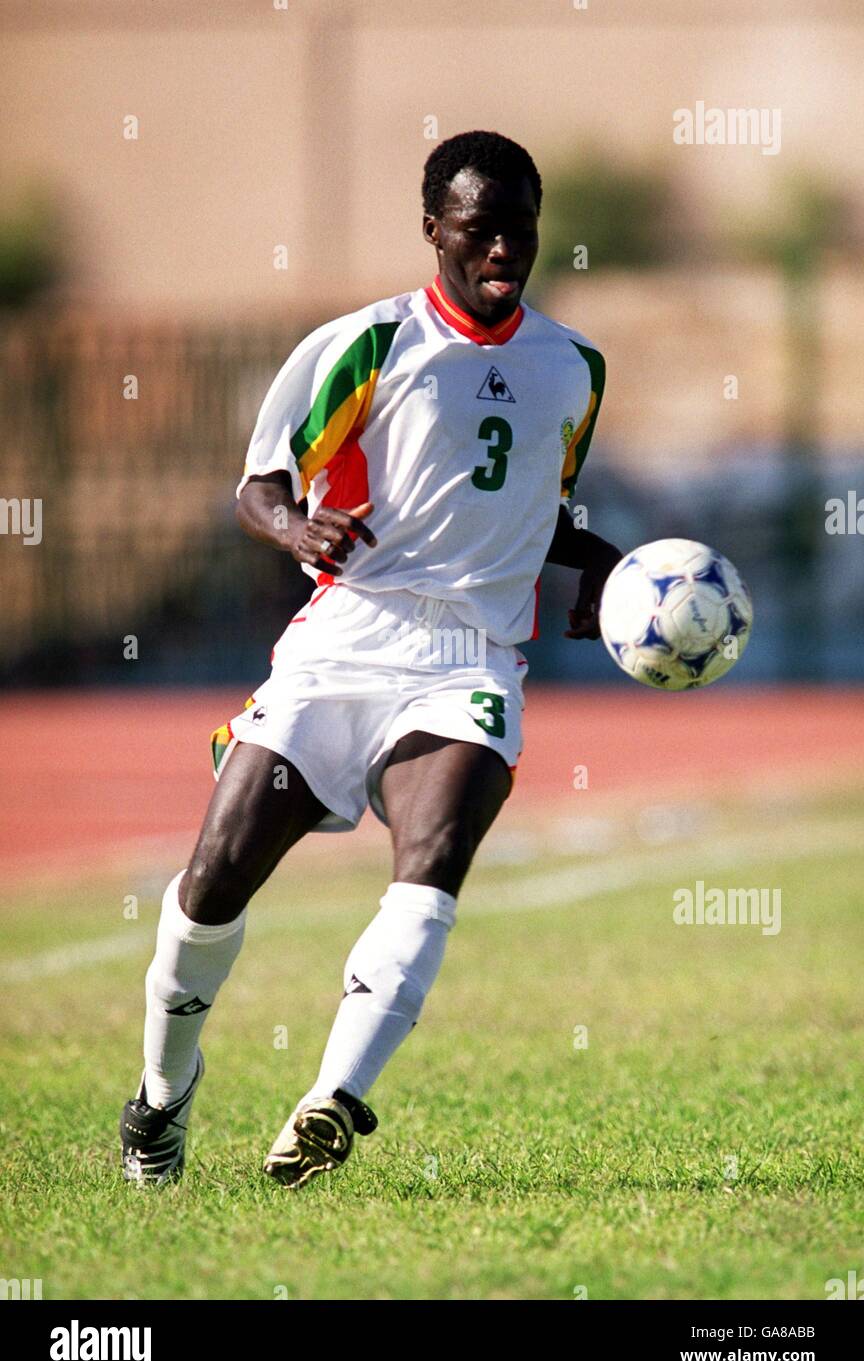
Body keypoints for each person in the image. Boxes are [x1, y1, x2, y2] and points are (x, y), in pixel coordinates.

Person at [120, 129, 621, 1190]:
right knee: (212, 884)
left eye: (518, 230)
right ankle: (160, 1103)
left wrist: (605, 568)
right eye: (477, 230)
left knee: (432, 856)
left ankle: (329, 1099)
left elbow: (529, 510)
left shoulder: (573, 368)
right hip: (343, 641)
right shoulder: (364, 346)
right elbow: (259, 486)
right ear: (432, 227)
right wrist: (297, 531)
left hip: (470, 659)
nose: (500, 252)